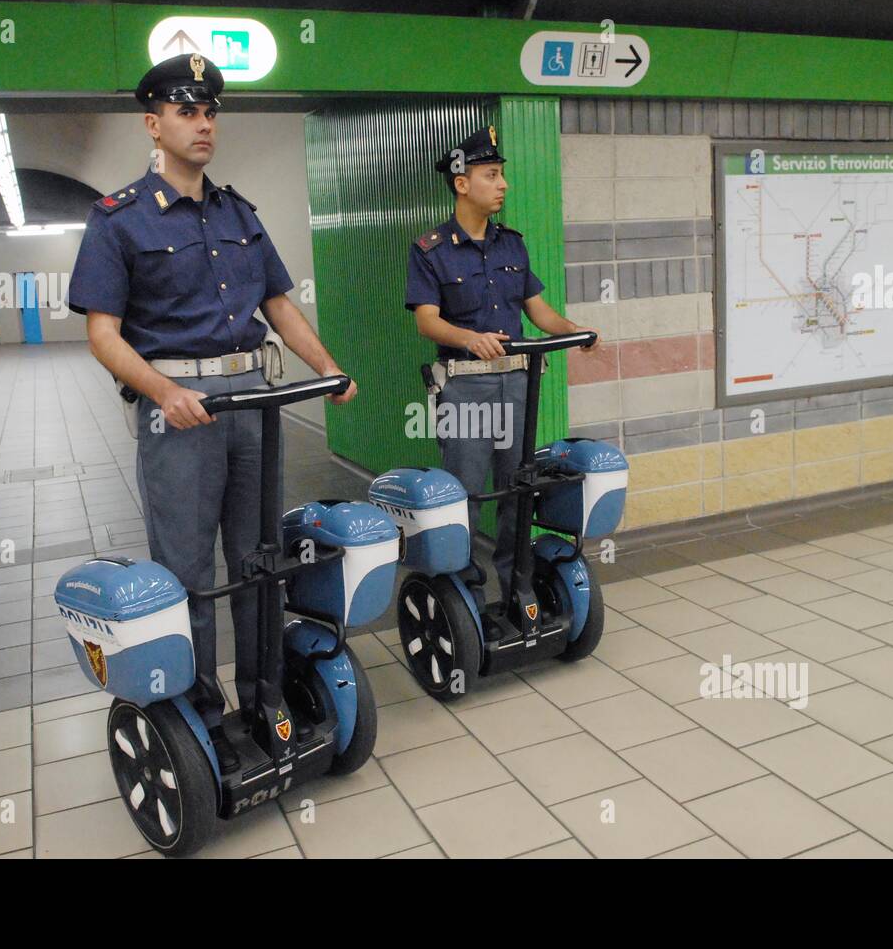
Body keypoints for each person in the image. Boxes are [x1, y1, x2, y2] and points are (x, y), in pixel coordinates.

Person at [67, 53, 355, 772]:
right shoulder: (117, 219)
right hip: (179, 411)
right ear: (153, 122)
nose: (202, 124)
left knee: (259, 559)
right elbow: (102, 332)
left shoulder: (238, 213)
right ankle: (200, 711)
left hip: (253, 400)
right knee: (189, 569)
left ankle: (264, 695)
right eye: (187, 111)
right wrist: (163, 392)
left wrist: (326, 367)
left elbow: (279, 305)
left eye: (210, 111)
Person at [403, 125, 599, 605]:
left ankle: (517, 581)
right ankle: (463, 587)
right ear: (461, 182)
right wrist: (470, 338)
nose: (503, 184)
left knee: (518, 489)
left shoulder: (512, 244)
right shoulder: (429, 249)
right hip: (464, 389)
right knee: (465, 493)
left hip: (516, 382)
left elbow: (538, 310)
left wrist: (576, 332)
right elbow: (427, 322)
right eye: (491, 174)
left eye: (502, 175)